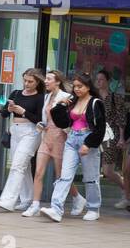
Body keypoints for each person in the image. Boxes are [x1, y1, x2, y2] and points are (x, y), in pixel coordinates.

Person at [40, 72, 106, 222]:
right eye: (75, 86)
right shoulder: (72, 101)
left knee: (90, 177)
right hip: (71, 139)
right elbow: (62, 123)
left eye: (80, 86)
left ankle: (93, 208)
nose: (76, 89)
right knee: (65, 176)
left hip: (88, 139)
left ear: (88, 87)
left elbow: (100, 129)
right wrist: (60, 105)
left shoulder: (96, 103)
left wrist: (88, 144)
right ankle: (56, 209)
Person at [0, 68, 46, 212]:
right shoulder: (16, 93)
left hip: (31, 132)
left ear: (37, 83)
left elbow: (40, 120)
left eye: (30, 81)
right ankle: (27, 199)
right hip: (15, 130)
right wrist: (10, 109)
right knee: (24, 166)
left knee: (17, 165)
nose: (27, 84)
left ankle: (8, 200)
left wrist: (23, 112)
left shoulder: (40, 97)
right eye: (25, 80)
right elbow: (4, 113)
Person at [22, 70, 70, 218]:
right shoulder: (47, 97)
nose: (46, 81)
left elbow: (67, 120)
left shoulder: (66, 97)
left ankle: (63, 204)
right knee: (38, 172)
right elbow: (45, 118)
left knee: (60, 175)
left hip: (60, 138)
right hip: (46, 137)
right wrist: (41, 125)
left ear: (58, 82)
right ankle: (35, 205)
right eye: (46, 79)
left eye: (49, 79)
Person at [95, 68, 130, 208]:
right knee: (93, 168)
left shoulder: (116, 98)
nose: (99, 82)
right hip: (94, 134)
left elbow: (121, 119)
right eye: (97, 80)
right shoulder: (93, 97)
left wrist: (121, 137)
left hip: (110, 135)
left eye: (101, 79)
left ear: (108, 81)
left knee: (107, 171)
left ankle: (125, 192)